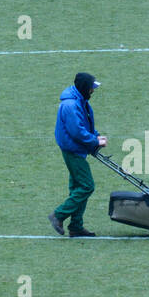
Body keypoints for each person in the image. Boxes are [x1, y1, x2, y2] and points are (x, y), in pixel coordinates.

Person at [49, 73, 107, 237]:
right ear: (84, 88)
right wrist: (95, 142)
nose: (92, 91)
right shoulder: (71, 106)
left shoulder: (80, 101)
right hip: (72, 150)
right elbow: (77, 132)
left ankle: (76, 226)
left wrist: (95, 136)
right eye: (91, 88)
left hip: (76, 148)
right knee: (87, 186)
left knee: (78, 187)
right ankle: (58, 215)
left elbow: (85, 125)